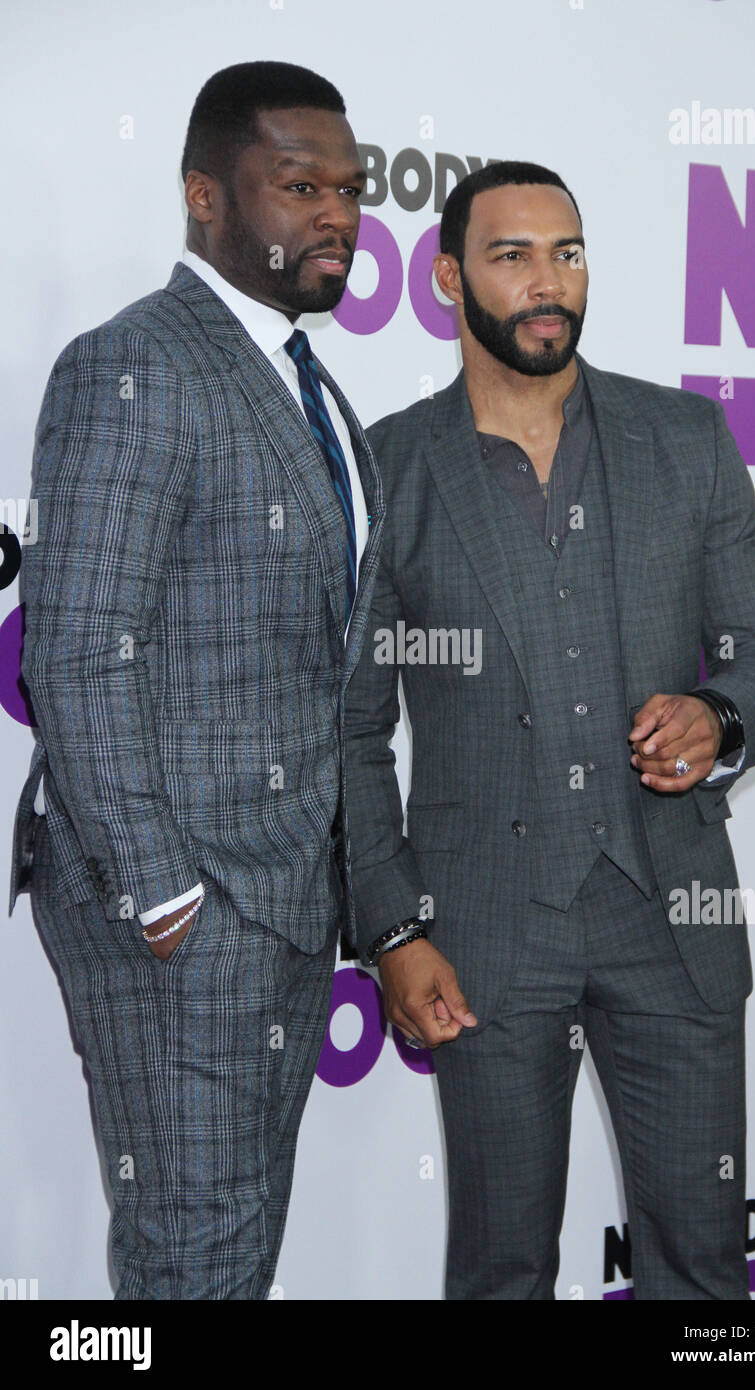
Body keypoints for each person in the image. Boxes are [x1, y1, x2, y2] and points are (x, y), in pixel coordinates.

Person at [343, 161, 755, 1300]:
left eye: (567, 251)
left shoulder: (684, 438)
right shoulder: (390, 468)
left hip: (672, 915)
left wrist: (720, 713)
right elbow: (350, 729)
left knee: (702, 1268)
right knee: (501, 1271)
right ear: (449, 276)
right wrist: (394, 929)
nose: (547, 282)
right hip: (484, 935)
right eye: (512, 255)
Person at [8, 60, 384, 1299]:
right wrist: (167, 898)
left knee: (225, 1245)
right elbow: (76, 649)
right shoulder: (137, 365)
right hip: (179, 908)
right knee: (194, 1255)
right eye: (298, 185)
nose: (336, 214)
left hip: (278, 892)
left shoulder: (305, 378)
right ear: (205, 196)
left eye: (349, 188)